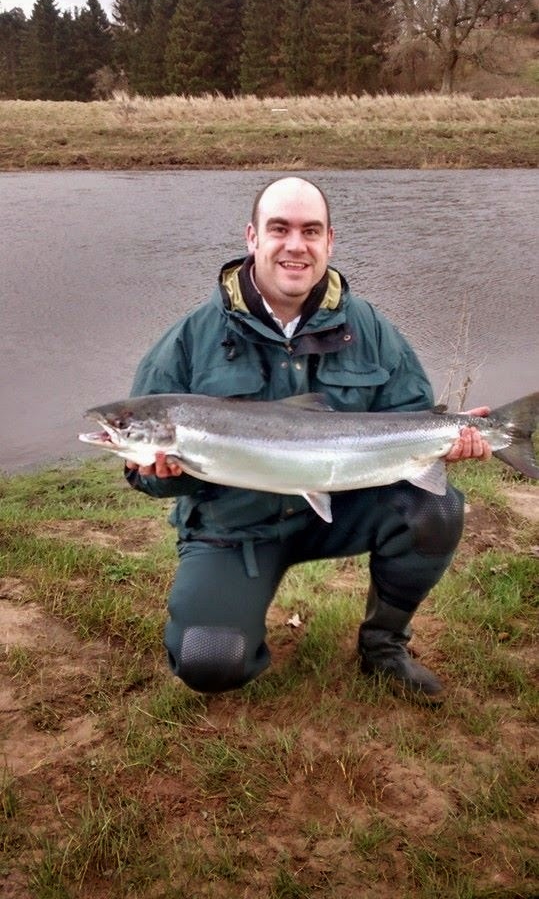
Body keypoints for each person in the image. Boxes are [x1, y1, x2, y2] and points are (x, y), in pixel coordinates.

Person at [125, 176, 491, 703]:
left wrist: (451, 437)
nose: (295, 245)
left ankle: (384, 646)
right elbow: (145, 479)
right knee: (209, 659)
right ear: (252, 237)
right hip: (236, 527)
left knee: (435, 508)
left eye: (310, 231)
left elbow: (410, 420)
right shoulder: (191, 338)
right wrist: (157, 475)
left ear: (329, 242)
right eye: (279, 229)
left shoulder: (369, 327)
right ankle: (237, 617)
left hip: (343, 507)